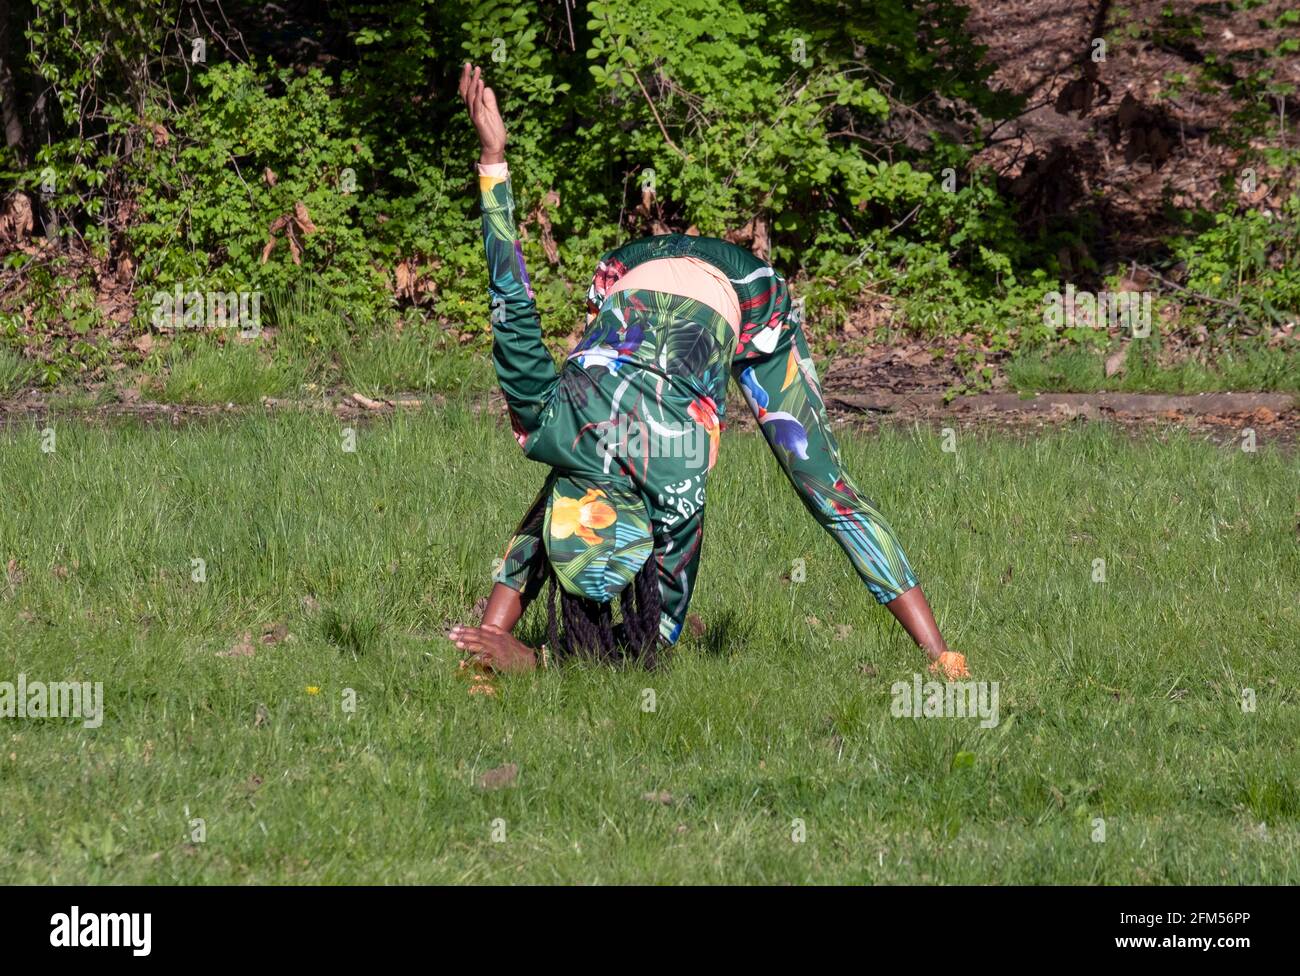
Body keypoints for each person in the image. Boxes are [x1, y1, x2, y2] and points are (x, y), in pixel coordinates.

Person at [448, 63, 969, 680]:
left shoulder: (674, 475)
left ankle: (944, 660)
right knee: (580, 466)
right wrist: (493, 159)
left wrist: (536, 663)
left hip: (746, 300)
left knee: (820, 484)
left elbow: (652, 646)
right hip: (629, 278)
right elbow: (509, 305)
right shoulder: (550, 425)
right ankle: (480, 656)